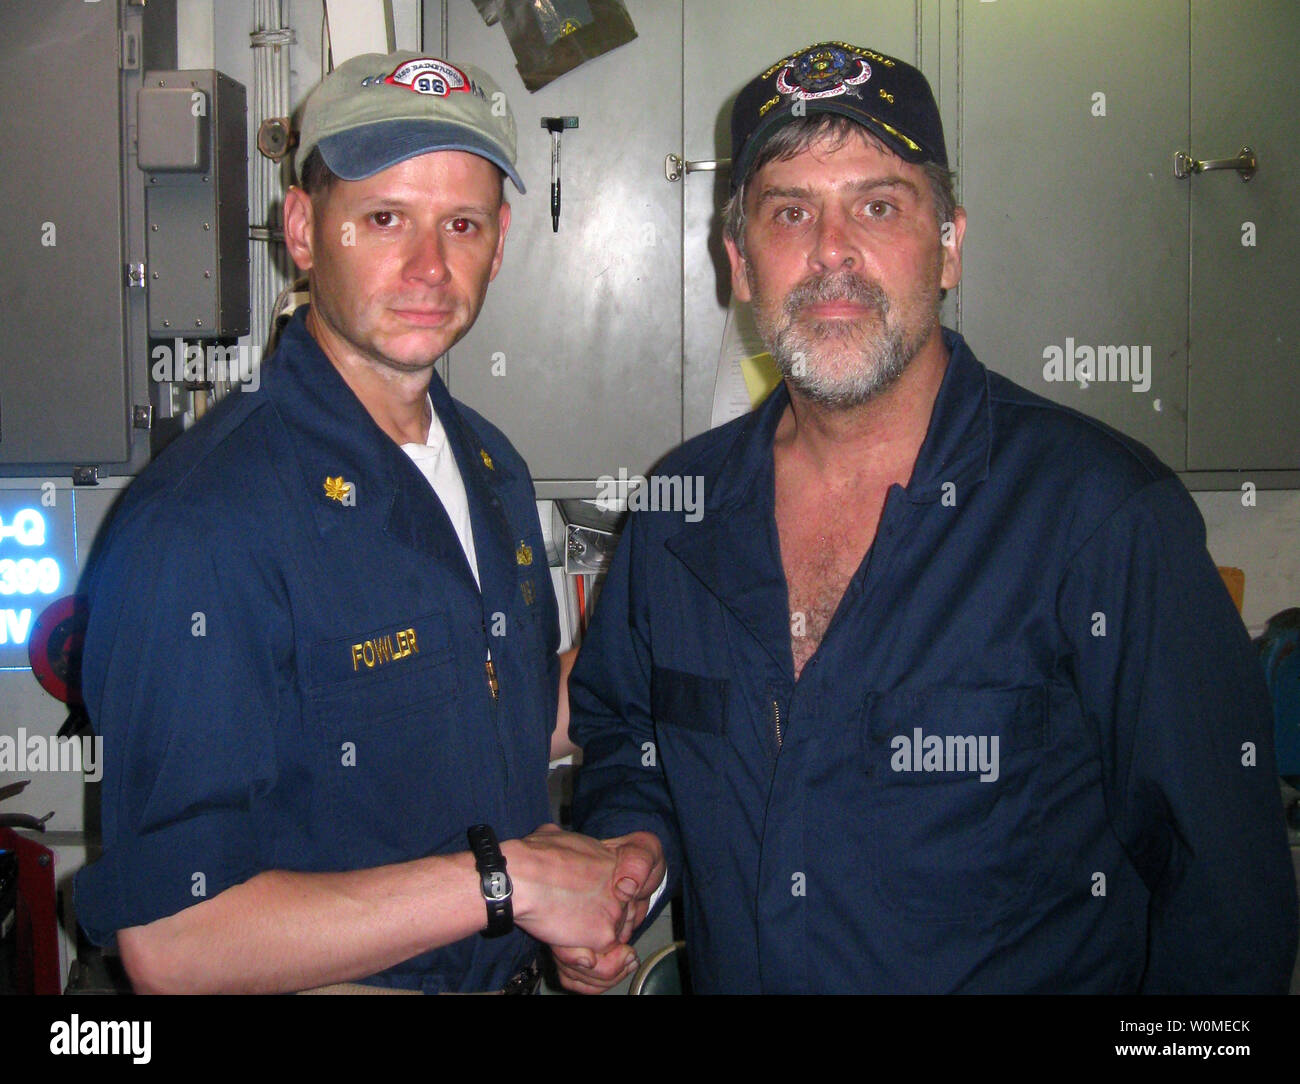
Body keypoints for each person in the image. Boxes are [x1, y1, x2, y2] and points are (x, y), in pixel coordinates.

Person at [560, 41, 1299, 993]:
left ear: (948, 245)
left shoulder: (1104, 518)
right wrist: (634, 851)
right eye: (791, 212)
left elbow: (1227, 911)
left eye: (878, 205)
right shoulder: (677, 515)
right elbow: (630, 734)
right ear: (740, 263)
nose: (832, 250)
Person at [73, 50, 659, 994]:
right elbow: (174, 943)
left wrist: (681, 662)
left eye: (459, 224)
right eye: (385, 218)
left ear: (499, 243)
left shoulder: (491, 469)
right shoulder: (205, 524)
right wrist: (509, 884)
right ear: (304, 229)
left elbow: (492, 710)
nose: (428, 265)